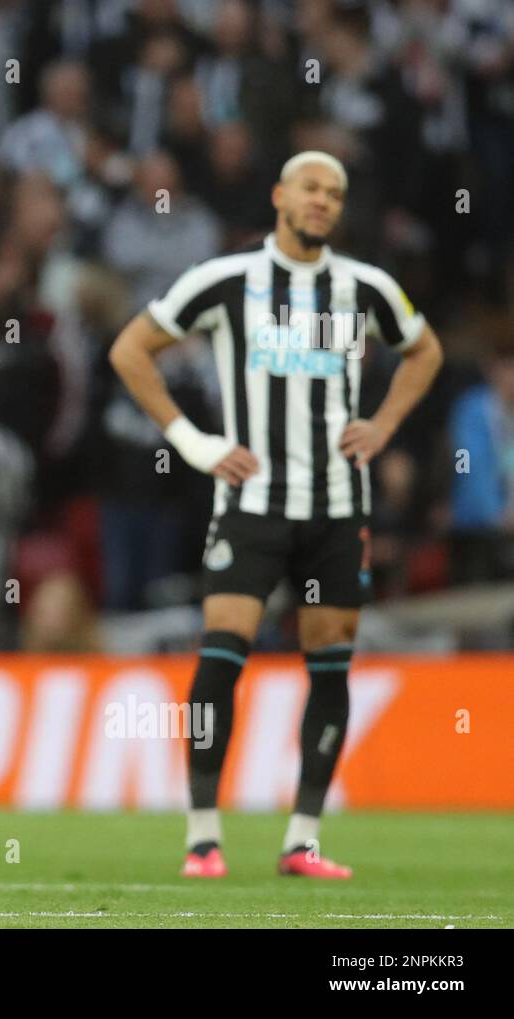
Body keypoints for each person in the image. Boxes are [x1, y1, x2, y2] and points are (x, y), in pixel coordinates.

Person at [108, 151, 443, 880]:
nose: (323, 201)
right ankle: (202, 836)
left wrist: (382, 425)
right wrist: (193, 441)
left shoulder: (365, 287)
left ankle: (304, 838)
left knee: (329, 666)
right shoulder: (227, 280)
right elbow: (132, 348)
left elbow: (425, 351)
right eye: (311, 189)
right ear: (280, 195)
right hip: (252, 506)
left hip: (335, 509)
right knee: (220, 657)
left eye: (335, 192)